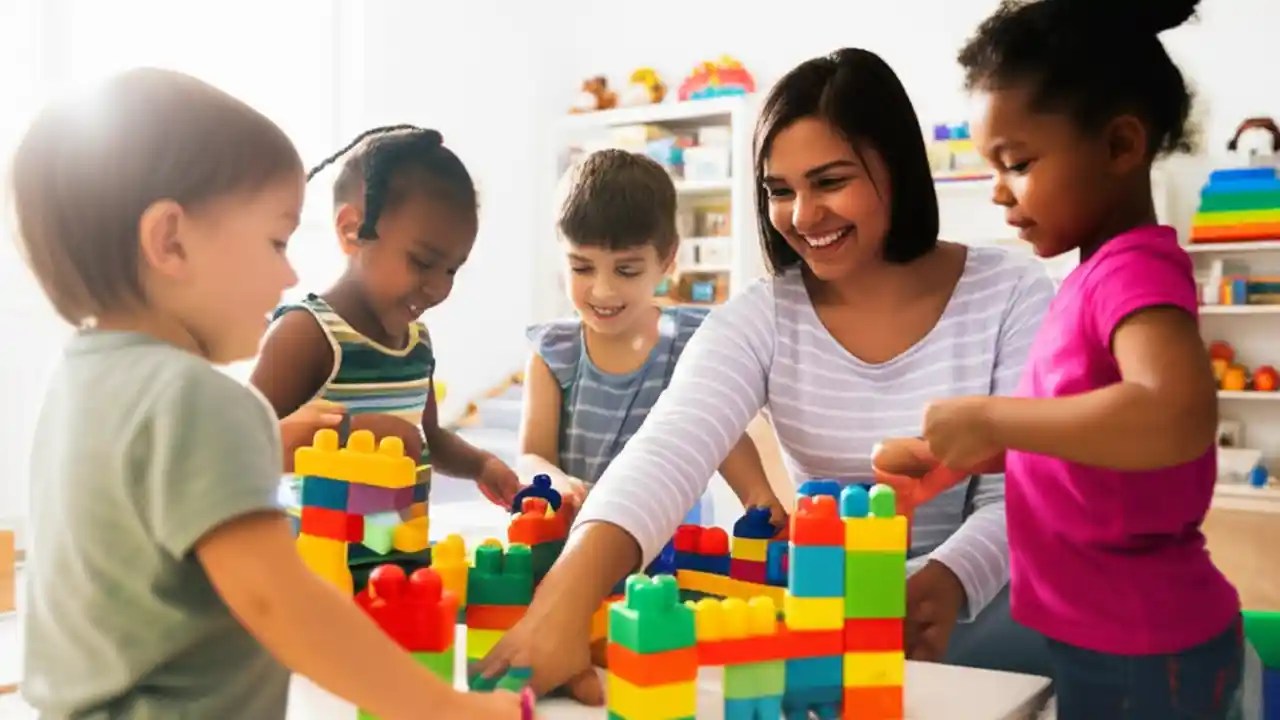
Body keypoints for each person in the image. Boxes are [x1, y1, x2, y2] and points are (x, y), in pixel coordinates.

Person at [476, 48, 1056, 702]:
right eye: (780, 191)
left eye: (830, 181)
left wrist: (944, 580)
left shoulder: (1011, 290)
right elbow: (670, 445)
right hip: (827, 620)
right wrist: (562, 604)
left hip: (987, 613)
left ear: (895, 167)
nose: (803, 217)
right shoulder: (763, 316)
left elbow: (1021, 492)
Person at [11, 69, 527, 718]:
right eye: (276, 241)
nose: (288, 272)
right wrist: (451, 708)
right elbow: (277, 600)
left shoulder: (75, 379)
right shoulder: (196, 398)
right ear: (170, 241)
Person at [922, 0, 1242, 717]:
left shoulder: (1132, 271)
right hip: (1108, 639)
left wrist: (998, 420)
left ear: (1121, 146)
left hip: (1147, 648)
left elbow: (1172, 415)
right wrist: (981, 451)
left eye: (1019, 163)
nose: (999, 192)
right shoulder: (1092, 276)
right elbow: (1091, 439)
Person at [251, 126, 521, 519]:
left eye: (452, 269)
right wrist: (352, 434)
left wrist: (481, 465)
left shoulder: (416, 344)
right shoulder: (307, 335)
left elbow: (430, 440)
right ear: (352, 230)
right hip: (313, 563)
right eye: (423, 263)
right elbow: (242, 450)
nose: (439, 287)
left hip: (400, 561)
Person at [519, 148, 783, 522]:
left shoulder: (693, 341)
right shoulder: (554, 352)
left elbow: (722, 435)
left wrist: (758, 496)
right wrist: (554, 482)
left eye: (626, 270)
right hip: (577, 535)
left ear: (667, 260)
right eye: (581, 267)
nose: (602, 290)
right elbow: (532, 456)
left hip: (673, 536)